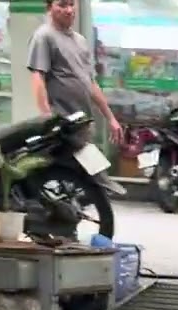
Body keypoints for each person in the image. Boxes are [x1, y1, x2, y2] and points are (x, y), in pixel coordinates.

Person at [26, 0, 125, 195]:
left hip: (80, 121)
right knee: (62, 173)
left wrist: (111, 118)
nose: (69, 10)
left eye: (72, 4)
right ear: (49, 7)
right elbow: (38, 77)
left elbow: (91, 83)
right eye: (62, 5)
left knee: (85, 180)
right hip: (61, 119)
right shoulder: (44, 36)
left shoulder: (80, 40)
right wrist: (46, 117)